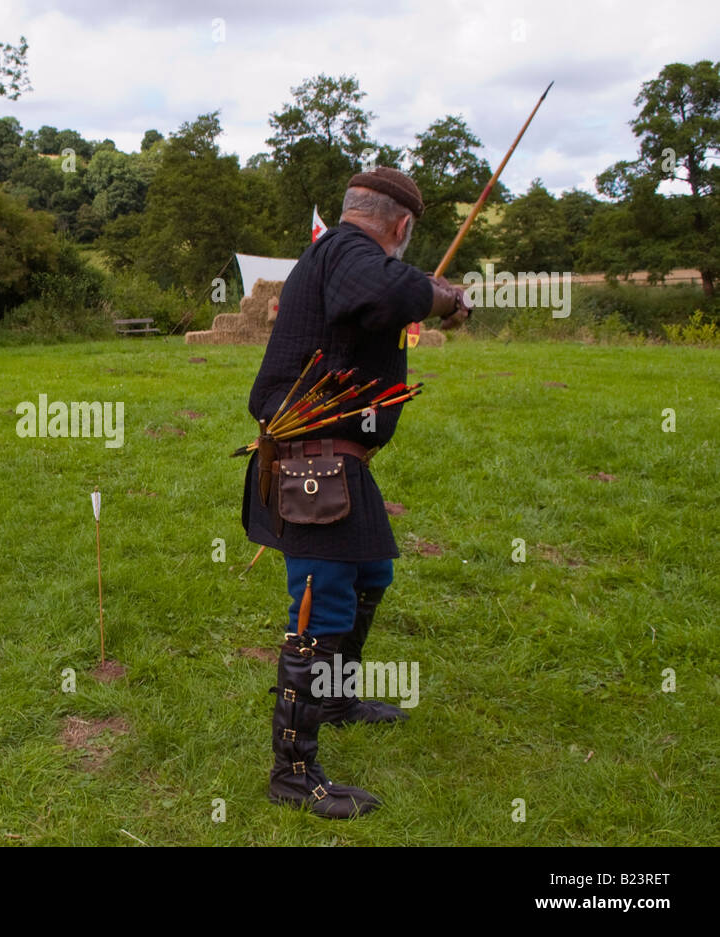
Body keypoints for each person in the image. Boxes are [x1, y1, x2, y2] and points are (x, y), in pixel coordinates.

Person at [241, 167, 471, 818]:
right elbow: (377, 289)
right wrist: (444, 296)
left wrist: (424, 297)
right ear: (400, 226)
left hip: (341, 461)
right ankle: (292, 771)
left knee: (372, 573)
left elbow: (374, 304)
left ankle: (336, 699)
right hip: (310, 466)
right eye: (407, 238)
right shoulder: (348, 251)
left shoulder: (343, 261)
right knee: (319, 612)